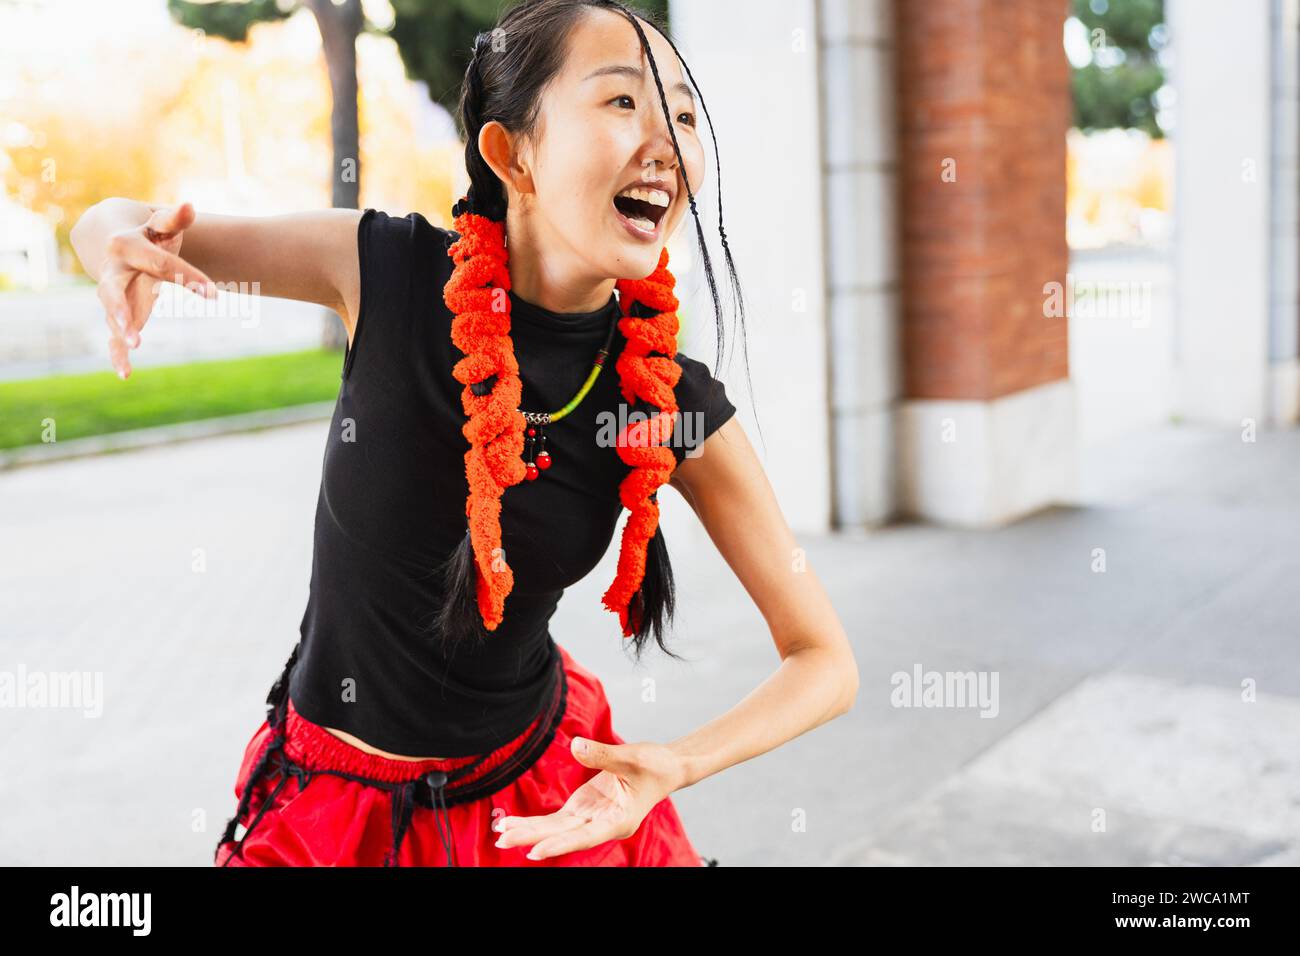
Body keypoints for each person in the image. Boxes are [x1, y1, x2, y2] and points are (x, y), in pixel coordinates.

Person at [69, 0, 859, 867]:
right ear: (510, 151)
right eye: (625, 102)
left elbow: (823, 659)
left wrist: (676, 763)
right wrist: (114, 242)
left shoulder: (667, 398)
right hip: (325, 817)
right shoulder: (388, 272)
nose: (667, 137)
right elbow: (121, 217)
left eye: (682, 112)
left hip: (536, 805)